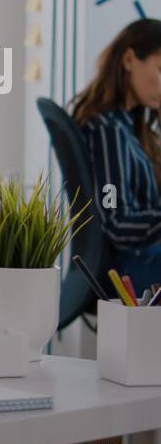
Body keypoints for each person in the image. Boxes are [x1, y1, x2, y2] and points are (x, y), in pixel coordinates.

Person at [74, 18, 161, 288]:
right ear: (128, 59)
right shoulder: (107, 130)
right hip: (126, 270)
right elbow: (116, 220)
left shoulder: (127, 127)